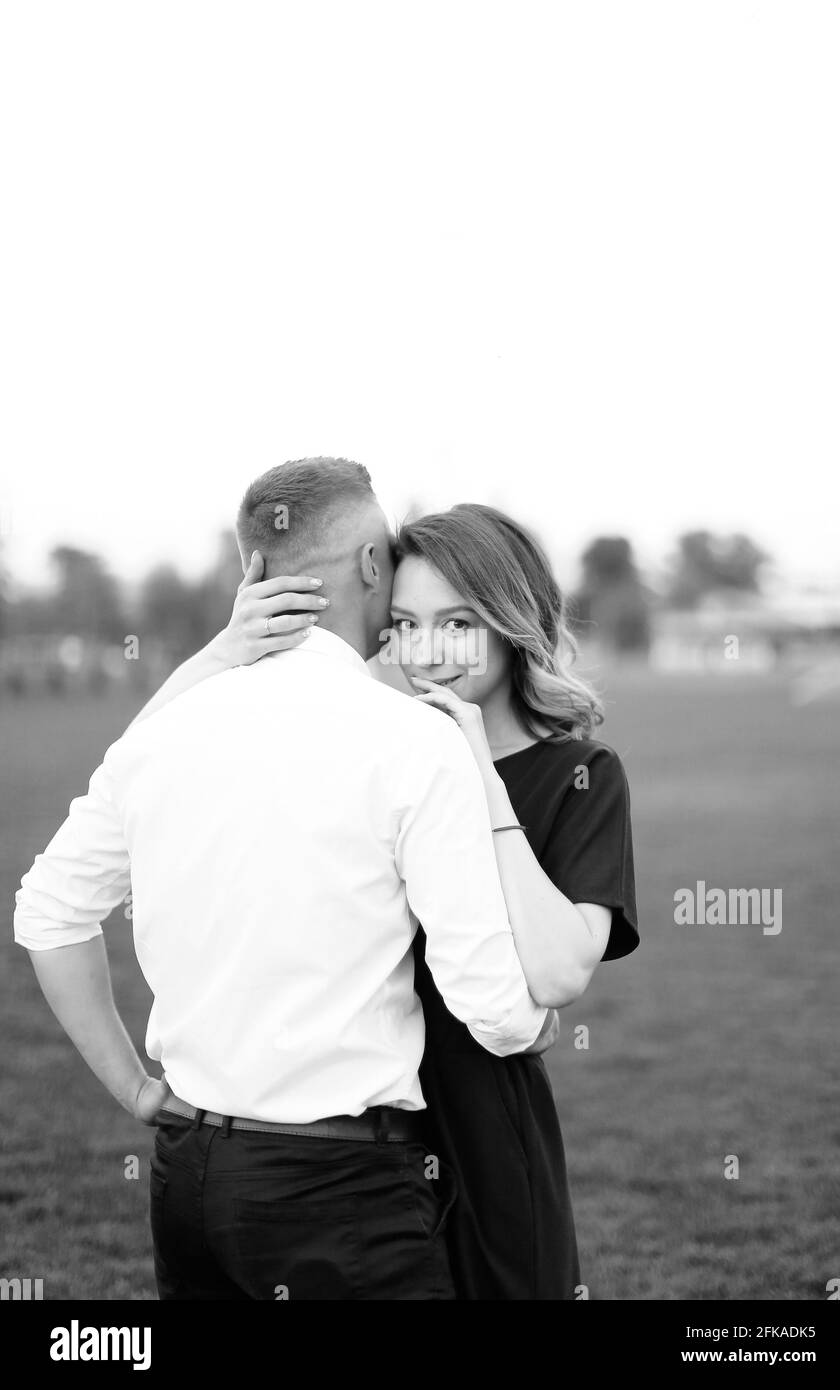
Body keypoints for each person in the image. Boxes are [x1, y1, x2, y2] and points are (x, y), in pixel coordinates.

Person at [13, 457, 556, 1301]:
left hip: (187, 1181)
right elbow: (492, 1009)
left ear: (253, 572)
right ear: (373, 567)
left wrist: (132, 1086)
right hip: (338, 1194)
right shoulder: (415, 739)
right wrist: (538, 1018)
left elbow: (48, 915)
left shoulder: (162, 729)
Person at [132, 482, 640, 1300]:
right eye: (404, 625)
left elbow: (556, 976)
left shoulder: (579, 775)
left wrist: (477, 769)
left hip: (481, 1126)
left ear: (511, 626)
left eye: (456, 625)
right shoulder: (378, 751)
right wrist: (223, 654)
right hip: (354, 1143)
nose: (426, 651)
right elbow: (140, 772)